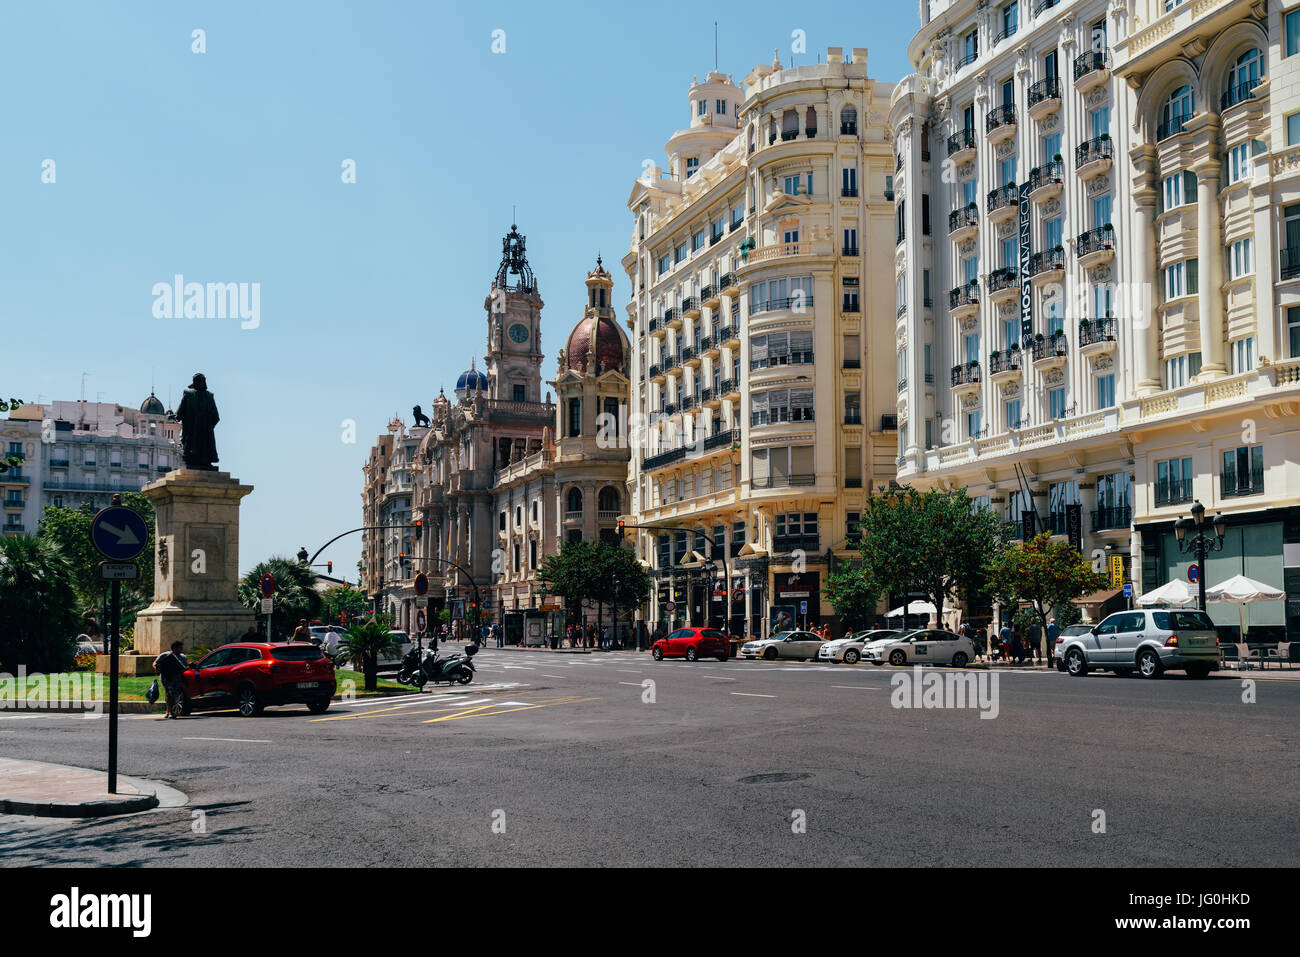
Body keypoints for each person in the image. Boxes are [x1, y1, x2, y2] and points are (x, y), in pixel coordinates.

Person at [153, 641, 189, 718]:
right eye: (180, 648)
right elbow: (155, 663)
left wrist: (186, 668)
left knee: (175, 695)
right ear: (174, 648)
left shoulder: (183, 657)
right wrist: (157, 669)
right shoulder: (164, 655)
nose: (181, 650)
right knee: (169, 694)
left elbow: (185, 667)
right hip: (167, 679)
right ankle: (169, 712)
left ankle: (172, 711)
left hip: (178, 679)